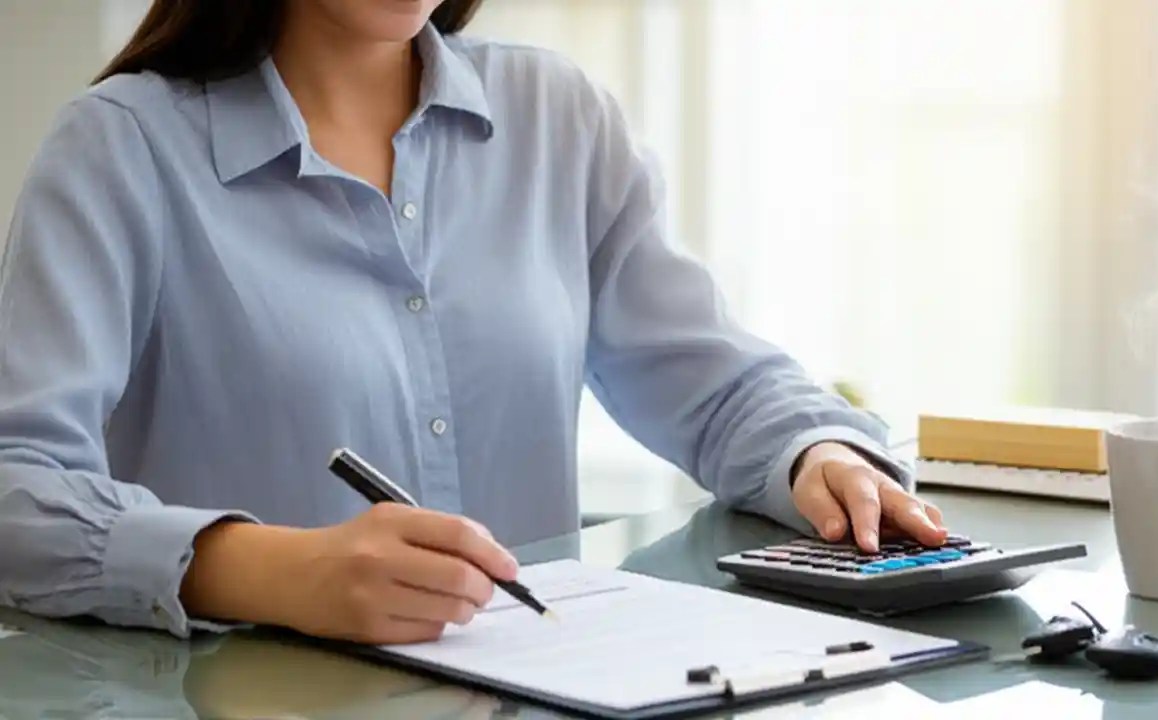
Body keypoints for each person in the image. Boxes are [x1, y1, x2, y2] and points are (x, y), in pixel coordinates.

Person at [0, 0, 946, 645]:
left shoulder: (556, 116)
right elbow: (17, 488)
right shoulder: (121, 149)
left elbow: (712, 380)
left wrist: (815, 452)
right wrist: (267, 571)